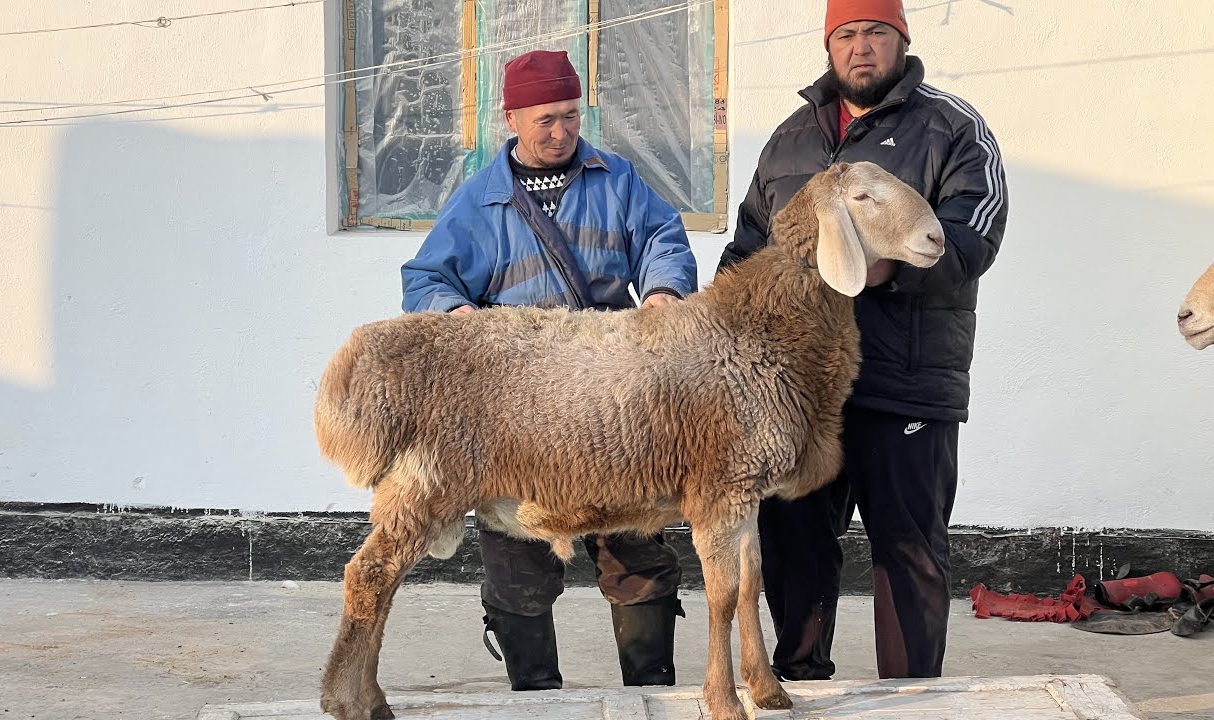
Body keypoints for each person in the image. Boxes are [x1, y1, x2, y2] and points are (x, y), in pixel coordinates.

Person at [716, 0, 1009, 681]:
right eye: (846, 35)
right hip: (801, 396)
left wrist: (878, 270)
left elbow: (974, 235)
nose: (861, 48)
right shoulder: (790, 139)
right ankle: (798, 681)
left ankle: (910, 697)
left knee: (908, 553)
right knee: (794, 549)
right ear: (829, 46)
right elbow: (745, 249)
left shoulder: (951, 127)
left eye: (877, 33)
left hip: (904, 381)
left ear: (902, 40)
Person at [400, 49, 698, 691]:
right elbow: (425, 278)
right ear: (512, 118)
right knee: (519, 572)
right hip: (520, 419)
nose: (560, 131)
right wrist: (458, 319)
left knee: (638, 557)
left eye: (569, 115)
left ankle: (651, 691)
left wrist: (666, 291)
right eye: (545, 120)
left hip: (614, 407)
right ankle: (534, 697)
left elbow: (663, 240)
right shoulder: (478, 202)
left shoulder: (617, 179)